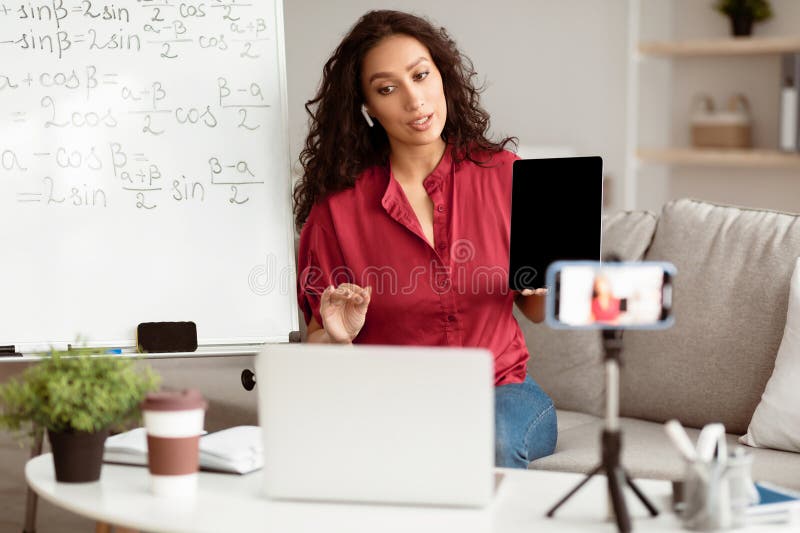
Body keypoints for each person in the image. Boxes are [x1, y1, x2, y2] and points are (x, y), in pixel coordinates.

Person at [293, 10, 556, 468]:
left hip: (502, 394)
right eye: (387, 88)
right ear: (367, 107)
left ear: (442, 74)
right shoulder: (336, 211)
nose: (415, 100)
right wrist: (336, 339)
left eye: (420, 75)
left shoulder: (505, 175)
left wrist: (549, 287)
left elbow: (535, 310)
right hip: (391, 400)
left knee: (486, 441)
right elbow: (319, 343)